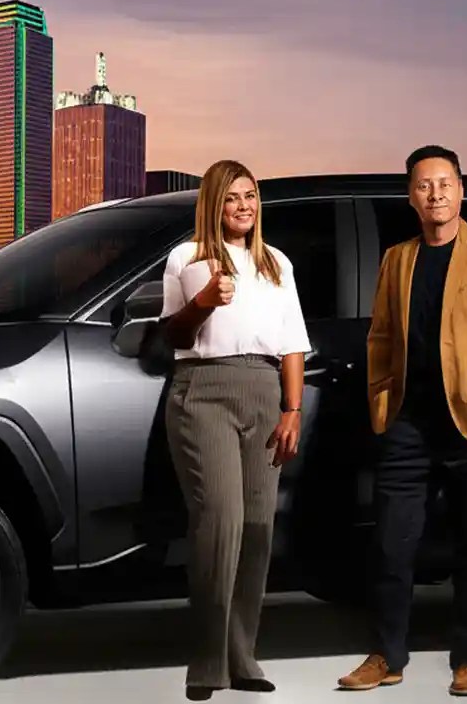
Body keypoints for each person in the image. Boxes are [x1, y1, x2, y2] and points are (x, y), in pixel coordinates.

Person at [337, 145, 467, 697]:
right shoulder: (397, 258)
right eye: (424, 186)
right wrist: (381, 400)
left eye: (444, 183)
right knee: (391, 547)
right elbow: (380, 337)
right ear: (411, 197)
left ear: (460, 190)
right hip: (407, 423)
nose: (436, 194)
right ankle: (386, 656)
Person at [161, 159, 310, 701]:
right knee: (218, 523)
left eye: (249, 196)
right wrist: (202, 302)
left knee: (257, 528)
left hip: (264, 393)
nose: (243, 206)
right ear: (212, 205)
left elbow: (293, 341)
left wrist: (292, 409)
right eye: (231, 198)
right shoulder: (186, 259)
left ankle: (243, 658)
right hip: (203, 391)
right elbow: (173, 333)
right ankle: (206, 665)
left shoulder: (275, 264)